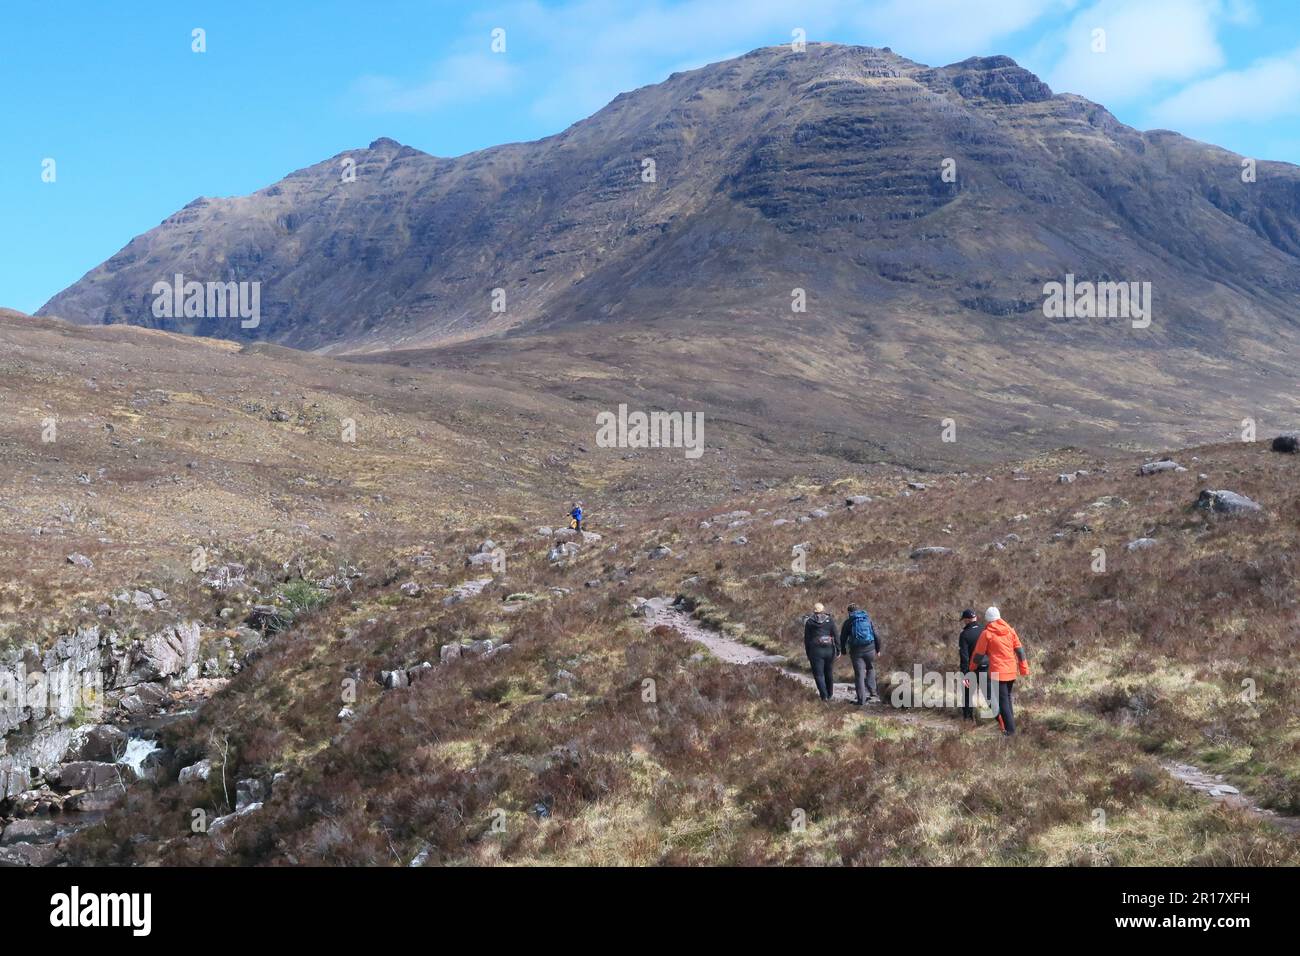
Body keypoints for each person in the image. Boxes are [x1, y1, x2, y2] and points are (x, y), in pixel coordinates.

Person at [967, 607, 1029, 735]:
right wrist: (1023, 669)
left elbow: (978, 654)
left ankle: (1010, 732)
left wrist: (972, 668)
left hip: (998, 672)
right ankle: (1010, 728)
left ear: (988, 620)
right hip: (1011, 671)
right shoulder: (1010, 631)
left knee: (1003, 701)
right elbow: (1020, 651)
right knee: (1007, 698)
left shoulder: (987, 633)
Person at [839, 603, 882, 705]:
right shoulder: (867, 619)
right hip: (870, 649)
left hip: (856, 652)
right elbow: (876, 634)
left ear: (849, 612)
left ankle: (861, 700)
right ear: (859, 610)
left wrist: (843, 650)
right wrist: (878, 649)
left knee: (859, 675)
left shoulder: (848, 622)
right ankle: (873, 695)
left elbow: (842, 638)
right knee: (870, 668)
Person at [803, 602, 839, 701]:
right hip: (829, 650)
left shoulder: (809, 622)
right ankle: (830, 694)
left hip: (815, 651)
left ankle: (824, 696)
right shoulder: (830, 620)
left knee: (819, 674)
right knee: (829, 672)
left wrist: (808, 653)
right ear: (823, 610)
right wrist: (838, 649)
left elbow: (807, 639)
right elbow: (836, 635)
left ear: (814, 611)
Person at [957, 609, 985, 722]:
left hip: (971, 669)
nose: (963, 622)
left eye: (964, 620)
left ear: (967, 620)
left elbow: (964, 657)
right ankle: (1003, 722)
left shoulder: (964, 635)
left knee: (967, 695)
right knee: (991, 696)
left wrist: (964, 674)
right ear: (976, 618)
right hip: (987, 667)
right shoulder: (985, 631)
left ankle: (968, 721)